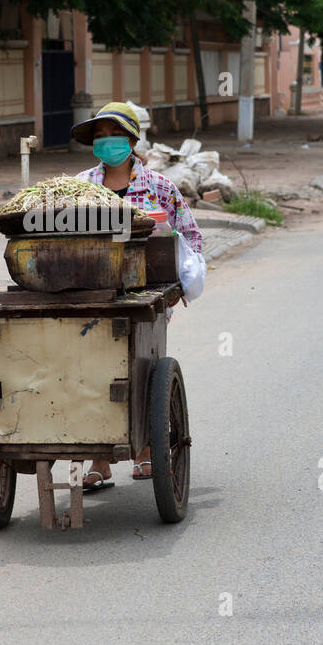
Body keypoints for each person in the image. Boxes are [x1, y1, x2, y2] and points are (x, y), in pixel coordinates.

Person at [70, 101, 202, 490]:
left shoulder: (161, 187)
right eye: (100, 137)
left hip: (146, 298)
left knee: (140, 373)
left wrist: (177, 285)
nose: (107, 143)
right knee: (95, 374)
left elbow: (191, 237)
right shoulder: (81, 185)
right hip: (93, 295)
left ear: (131, 140)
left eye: (114, 136)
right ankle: (100, 459)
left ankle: (145, 453)